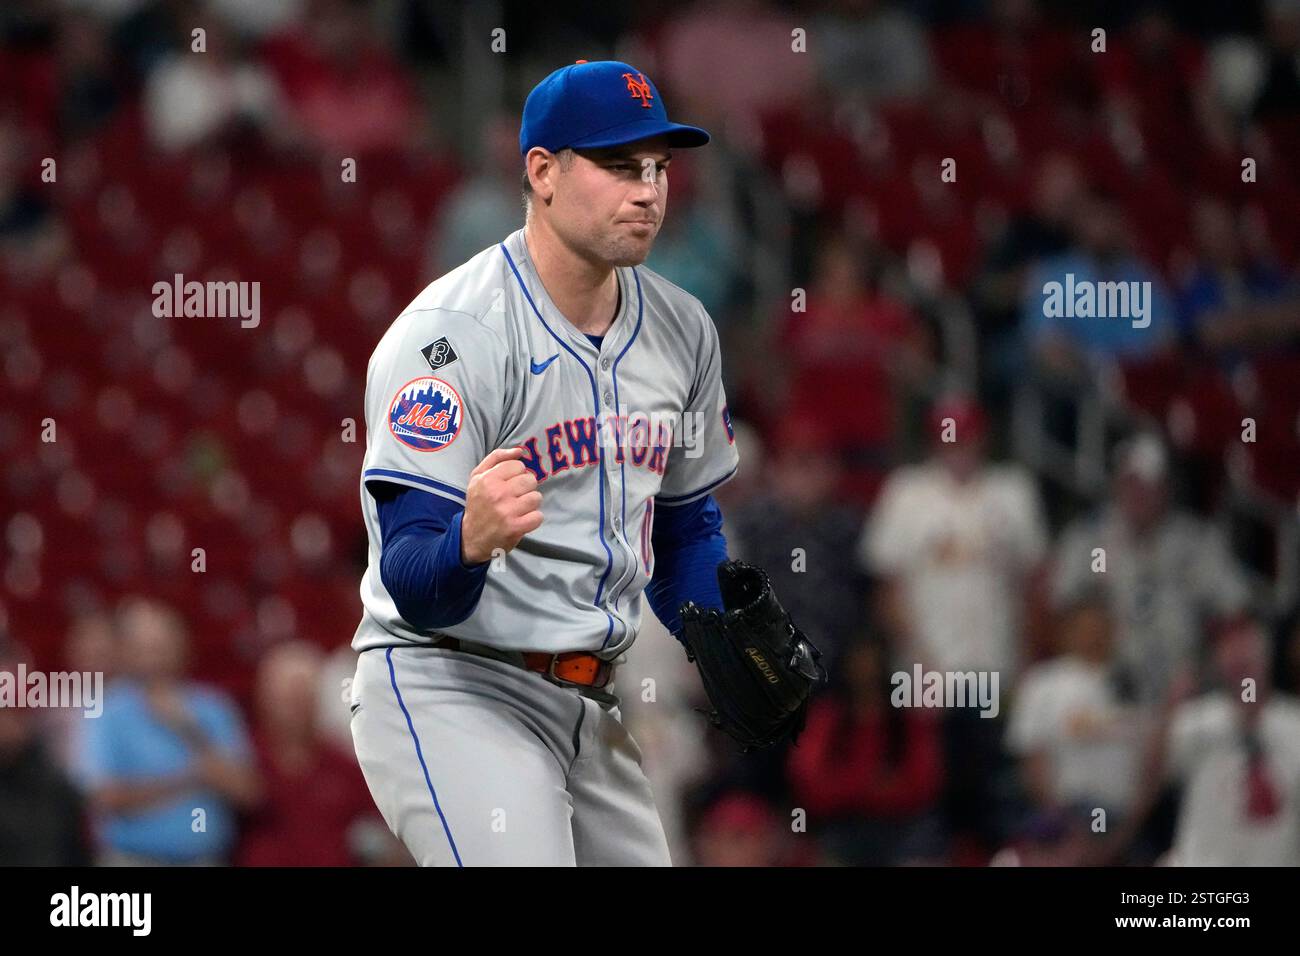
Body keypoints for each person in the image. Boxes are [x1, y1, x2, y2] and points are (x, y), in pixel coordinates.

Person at [348, 60, 750, 866]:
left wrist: (723, 640)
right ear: (542, 172)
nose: (647, 191)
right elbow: (412, 579)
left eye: (658, 167)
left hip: (590, 702)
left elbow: (685, 534)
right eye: (617, 164)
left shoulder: (685, 330)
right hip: (451, 682)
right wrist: (466, 540)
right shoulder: (454, 334)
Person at [81, 599, 261, 865]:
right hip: (131, 861)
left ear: (184, 647)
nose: (155, 657)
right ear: (126, 652)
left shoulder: (214, 707)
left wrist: (188, 730)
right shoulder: (108, 712)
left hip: (206, 859)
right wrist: (190, 778)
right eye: (145, 648)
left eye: (163, 646)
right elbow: (105, 798)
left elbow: (249, 793)